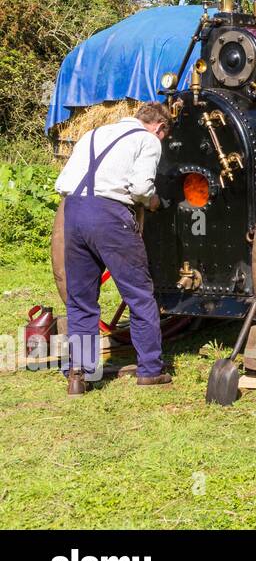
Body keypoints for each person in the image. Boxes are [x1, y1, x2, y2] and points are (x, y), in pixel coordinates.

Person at [54, 102, 172, 394]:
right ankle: (149, 370)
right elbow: (141, 189)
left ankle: (78, 376)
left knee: (80, 299)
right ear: (160, 128)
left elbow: (64, 182)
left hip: (74, 212)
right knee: (140, 295)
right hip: (110, 217)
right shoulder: (147, 140)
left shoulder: (93, 134)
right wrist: (155, 202)